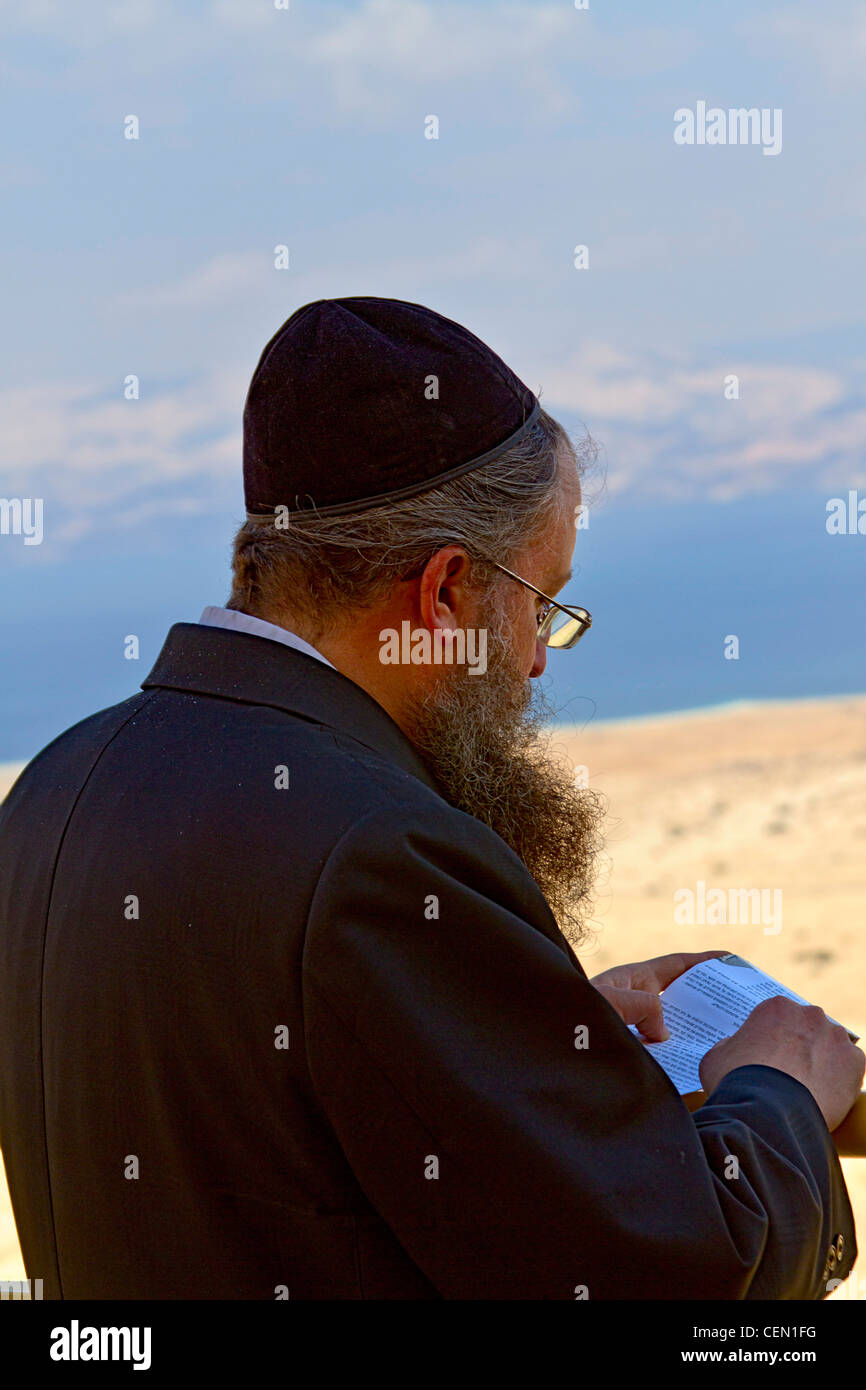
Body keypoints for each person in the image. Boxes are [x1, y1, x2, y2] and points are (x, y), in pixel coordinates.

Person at [0, 296, 861, 1299]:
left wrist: (516, 1046)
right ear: (445, 590)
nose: (538, 657)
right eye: (540, 600)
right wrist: (780, 1091)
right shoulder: (377, 851)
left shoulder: (56, 788)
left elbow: (268, 1135)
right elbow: (679, 1284)